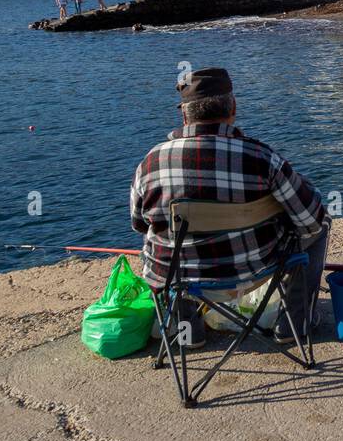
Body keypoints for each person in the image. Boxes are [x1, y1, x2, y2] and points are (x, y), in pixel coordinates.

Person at [130, 67, 329, 349]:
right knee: (321, 225)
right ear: (232, 108)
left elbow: (139, 223)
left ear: (184, 114)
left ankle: (187, 331)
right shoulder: (262, 158)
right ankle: (294, 324)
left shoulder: (150, 164)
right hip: (252, 274)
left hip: (178, 276)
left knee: (159, 240)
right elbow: (311, 218)